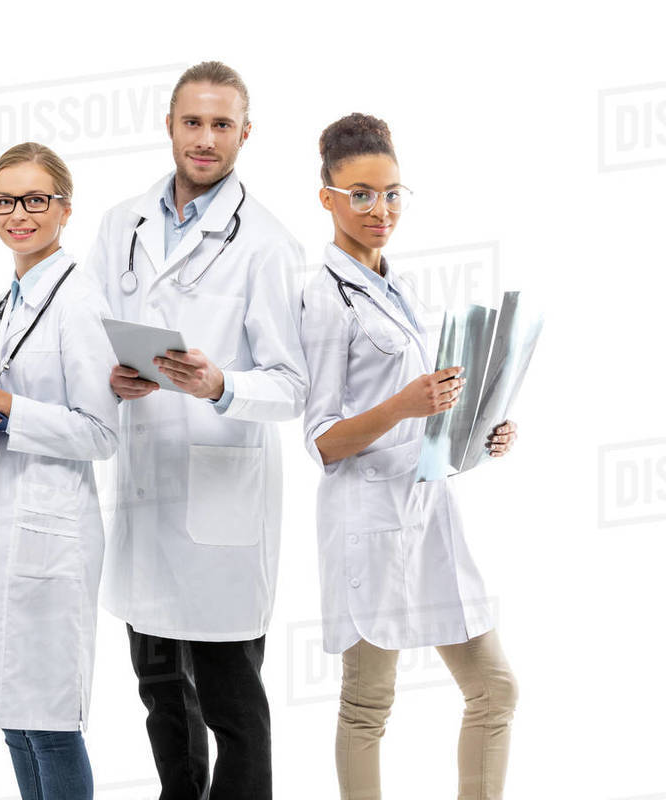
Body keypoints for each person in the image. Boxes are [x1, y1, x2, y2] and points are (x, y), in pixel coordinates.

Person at [84, 61, 308, 799]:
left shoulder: (268, 244)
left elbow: (292, 387)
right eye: (193, 122)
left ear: (245, 133)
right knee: (161, 698)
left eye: (221, 124)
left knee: (231, 708)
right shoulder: (122, 223)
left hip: (222, 503)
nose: (205, 138)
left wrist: (221, 386)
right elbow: (92, 337)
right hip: (146, 493)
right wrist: (114, 378)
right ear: (170, 125)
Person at [299, 112, 519, 800]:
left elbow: (429, 410)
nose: (381, 210)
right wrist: (402, 405)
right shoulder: (323, 297)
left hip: (427, 512)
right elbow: (322, 439)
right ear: (327, 197)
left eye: (392, 193)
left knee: (495, 690)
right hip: (367, 520)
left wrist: (482, 431)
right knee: (368, 705)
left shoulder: (402, 287)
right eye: (361, 194)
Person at [0, 142, 118, 800]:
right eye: (5, 201)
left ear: (65, 208)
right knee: (15, 721)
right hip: (3, 530)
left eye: (35, 200)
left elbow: (101, 433)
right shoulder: (4, 304)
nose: (18, 214)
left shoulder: (80, 302)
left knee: (51, 724)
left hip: (53, 537)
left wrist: (5, 402)